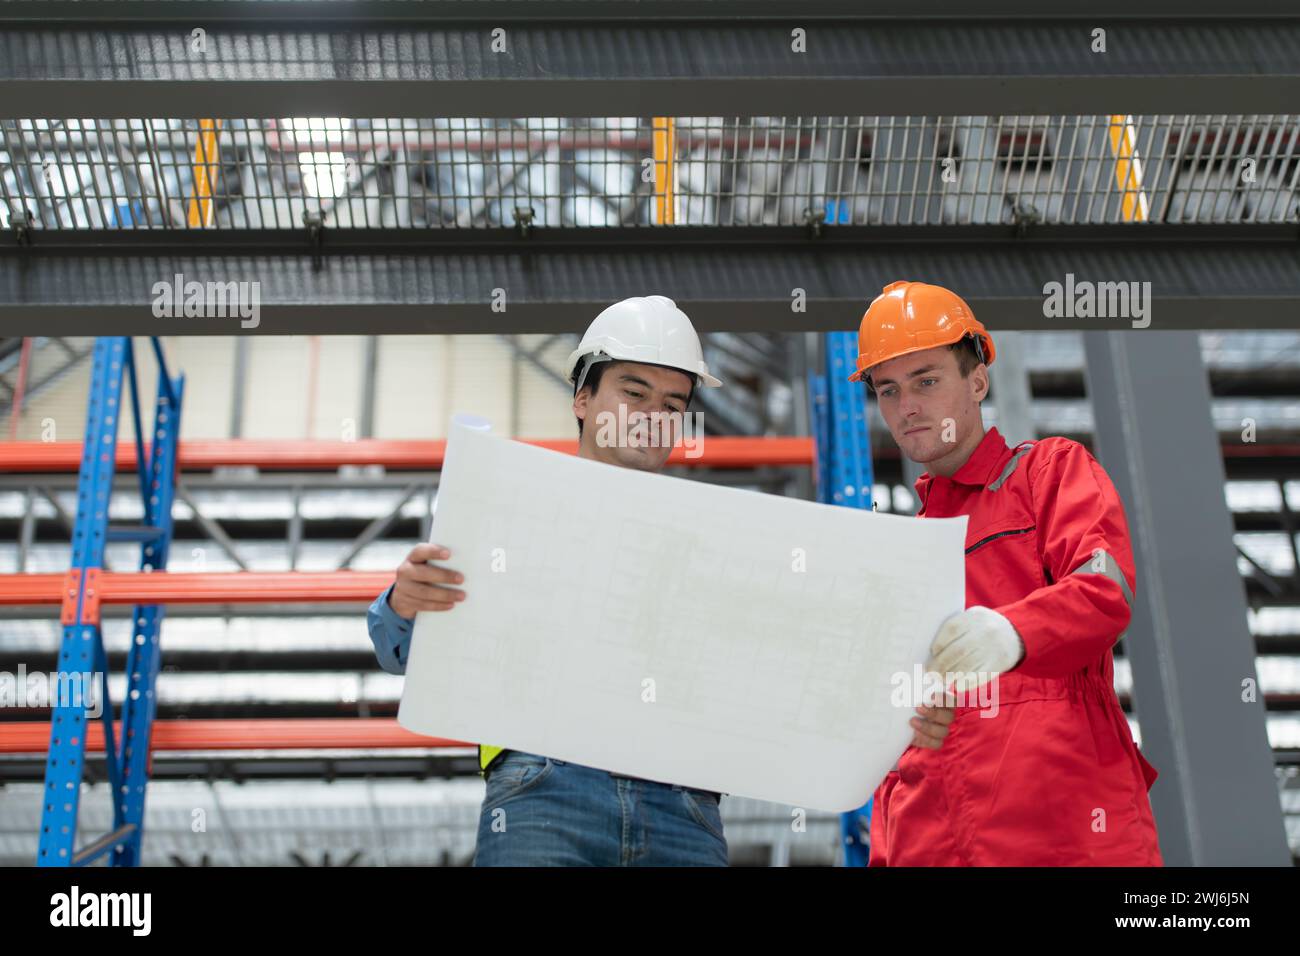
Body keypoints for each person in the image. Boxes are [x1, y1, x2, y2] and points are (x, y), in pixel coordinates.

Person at [369, 294, 954, 866]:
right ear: (582, 398)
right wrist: (405, 602)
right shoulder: (513, 507)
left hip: (685, 807)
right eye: (633, 392)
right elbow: (400, 650)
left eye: (672, 405)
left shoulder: (721, 546)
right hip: (543, 789)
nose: (653, 416)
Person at [851, 280, 1163, 866]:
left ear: (977, 381)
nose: (907, 406)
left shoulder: (1048, 474)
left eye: (926, 380)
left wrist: (1014, 632)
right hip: (928, 834)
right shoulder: (898, 550)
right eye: (888, 390)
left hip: (1061, 827)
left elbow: (1104, 588)